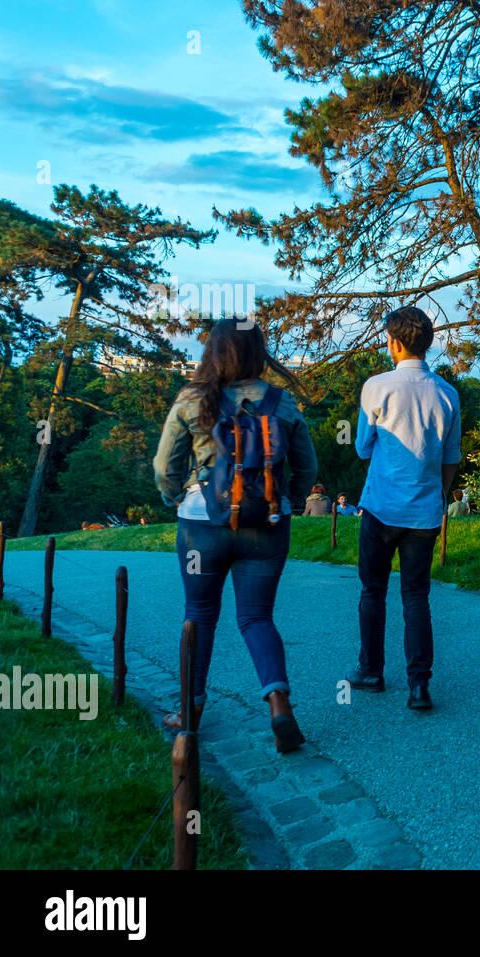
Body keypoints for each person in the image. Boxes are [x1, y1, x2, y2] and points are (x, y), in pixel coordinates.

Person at [152, 318, 317, 753]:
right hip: (266, 527)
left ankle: (190, 711)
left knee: (199, 614)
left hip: (201, 526)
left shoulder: (193, 399)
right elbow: (308, 467)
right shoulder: (283, 404)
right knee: (257, 617)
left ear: (215, 351)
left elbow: (164, 466)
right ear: (258, 352)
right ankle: (279, 704)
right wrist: (290, 501)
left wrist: (176, 498)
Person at [345, 306, 461, 710]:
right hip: (424, 511)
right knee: (416, 595)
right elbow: (451, 457)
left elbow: (362, 447)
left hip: (380, 506)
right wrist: (440, 496)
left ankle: (371, 670)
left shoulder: (376, 387)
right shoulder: (448, 393)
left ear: (394, 343)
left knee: (372, 590)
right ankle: (419, 684)